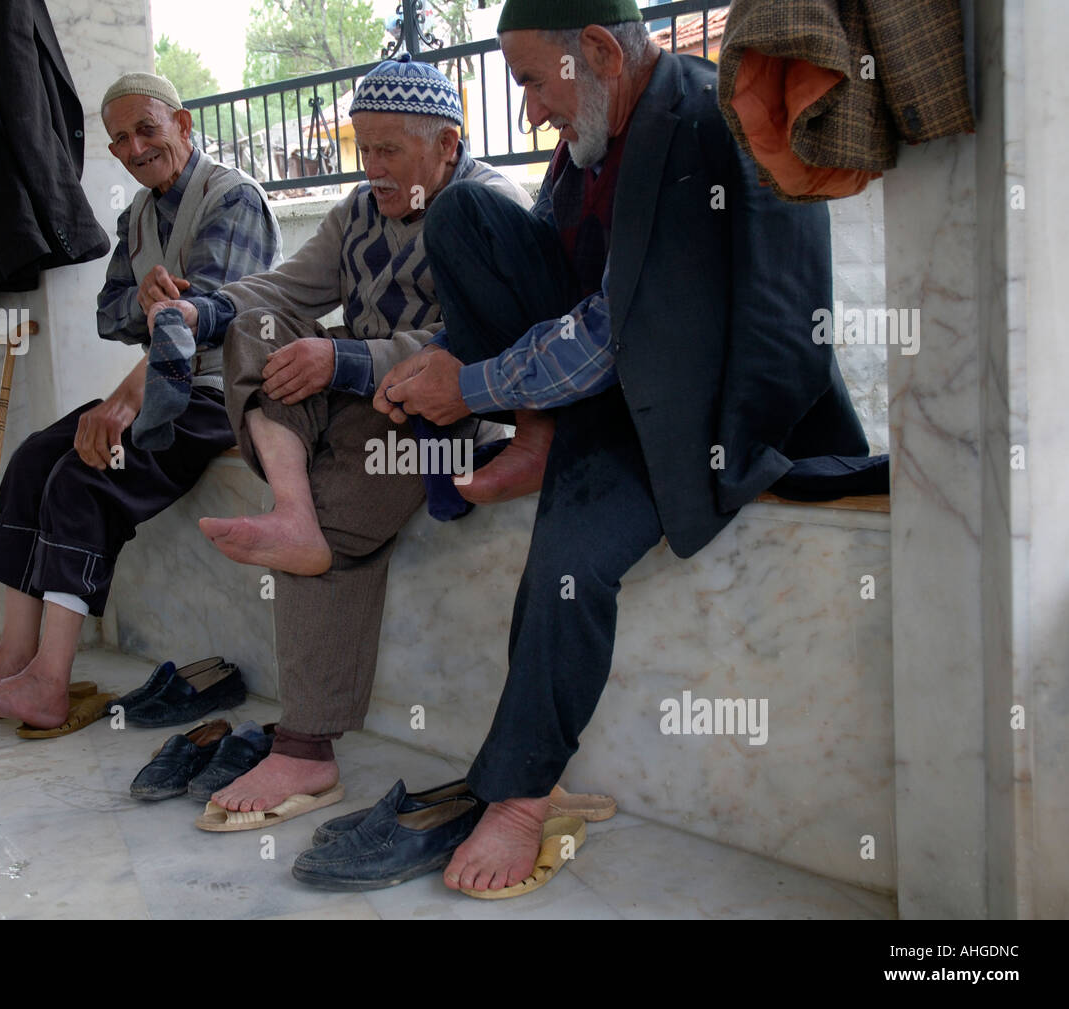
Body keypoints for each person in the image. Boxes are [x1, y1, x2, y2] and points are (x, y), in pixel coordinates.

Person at [376, 0, 884, 893]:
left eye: (534, 80)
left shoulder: (696, 122)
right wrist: (467, 372)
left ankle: (521, 794)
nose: (529, 108)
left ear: (601, 51)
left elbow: (619, 330)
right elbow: (562, 282)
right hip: (616, 382)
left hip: (701, 407)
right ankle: (540, 436)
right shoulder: (600, 132)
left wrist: (471, 386)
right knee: (462, 218)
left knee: (568, 557)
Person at [172, 55, 530, 820]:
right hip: (352, 394)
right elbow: (285, 290)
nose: (372, 168)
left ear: (446, 142)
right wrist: (205, 311)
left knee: (338, 523)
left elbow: (485, 339)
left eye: (388, 150)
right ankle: (292, 510)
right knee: (255, 325)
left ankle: (305, 753)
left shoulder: (491, 205)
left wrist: (348, 357)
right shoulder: (358, 211)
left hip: (435, 413)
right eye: (362, 150)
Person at [0, 73, 281, 728]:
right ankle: (14, 654)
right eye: (119, 139)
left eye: (147, 128)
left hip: (217, 395)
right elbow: (109, 313)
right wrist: (143, 304)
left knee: (85, 476)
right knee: (32, 459)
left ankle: (49, 684)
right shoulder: (138, 217)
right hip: (158, 383)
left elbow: (211, 320)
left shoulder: (232, 200)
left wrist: (127, 394)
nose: (135, 147)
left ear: (183, 124)